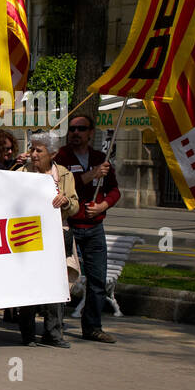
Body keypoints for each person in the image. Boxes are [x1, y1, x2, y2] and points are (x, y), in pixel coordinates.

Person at [56, 113, 120, 343]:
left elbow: (114, 190)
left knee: (98, 280)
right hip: (69, 225)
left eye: (81, 129)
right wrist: (91, 174)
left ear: (91, 133)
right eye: (72, 129)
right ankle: (56, 325)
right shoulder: (61, 157)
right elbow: (65, 184)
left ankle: (92, 326)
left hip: (94, 227)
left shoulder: (99, 157)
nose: (75, 133)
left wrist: (103, 204)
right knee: (63, 278)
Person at [14, 132, 78, 347]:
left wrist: (66, 201)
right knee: (29, 283)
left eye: (38, 150)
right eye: (32, 149)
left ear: (53, 153)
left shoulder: (65, 175)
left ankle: (54, 333)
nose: (33, 154)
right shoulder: (21, 172)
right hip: (29, 235)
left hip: (57, 235)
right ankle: (28, 333)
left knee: (56, 285)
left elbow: (76, 205)